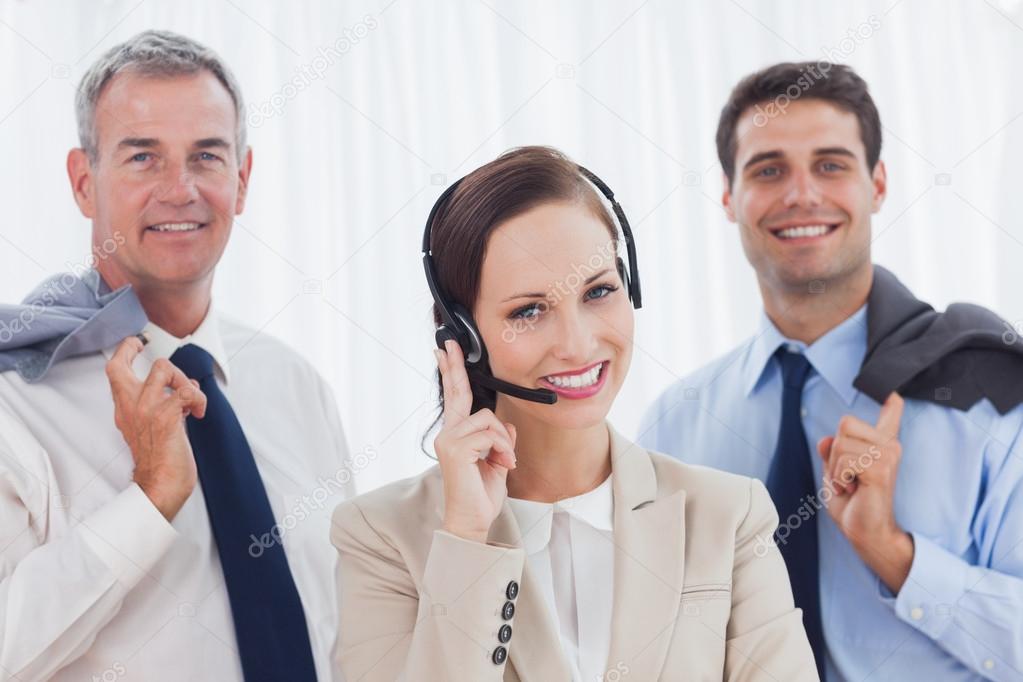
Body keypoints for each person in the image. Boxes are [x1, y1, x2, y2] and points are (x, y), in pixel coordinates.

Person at [331, 146, 818, 681]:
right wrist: (466, 538)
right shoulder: (382, 537)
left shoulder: (728, 516)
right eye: (529, 311)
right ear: (463, 337)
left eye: (599, 291)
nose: (578, 344)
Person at [640, 62, 1023, 681]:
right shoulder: (674, 424)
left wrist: (894, 554)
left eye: (830, 165)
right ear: (729, 196)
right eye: (769, 170)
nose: (801, 195)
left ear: (877, 185)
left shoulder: (991, 399)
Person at [0, 30, 351, 680]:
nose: (180, 189)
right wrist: (149, 499)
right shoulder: (15, 405)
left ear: (241, 180)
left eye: (206, 156)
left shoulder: (297, 385)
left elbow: (342, 633)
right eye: (143, 157)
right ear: (84, 182)